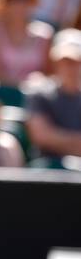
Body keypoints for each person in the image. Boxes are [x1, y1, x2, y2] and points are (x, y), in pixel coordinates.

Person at [26, 29, 81, 166]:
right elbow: (42, 136)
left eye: (75, 61)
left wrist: (60, 140)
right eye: (64, 61)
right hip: (48, 171)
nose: (69, 68)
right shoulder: (39, 92)